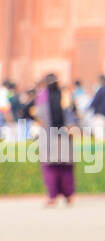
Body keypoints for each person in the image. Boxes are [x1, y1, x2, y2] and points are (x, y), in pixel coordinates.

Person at [32, 75, 75, 207]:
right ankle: (68, 196)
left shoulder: (41, 96)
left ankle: (52, 197)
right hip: (63, 135)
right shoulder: (64, 95)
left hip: (48, 136)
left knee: (50, 168)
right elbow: (70, 117)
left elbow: (39, 116)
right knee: (65, 167)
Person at [89, 75, 105, 139]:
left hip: (100, 114)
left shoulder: (101, 90)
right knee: (102, 133)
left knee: (99, 135)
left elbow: (95, 102)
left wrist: (88, 108)